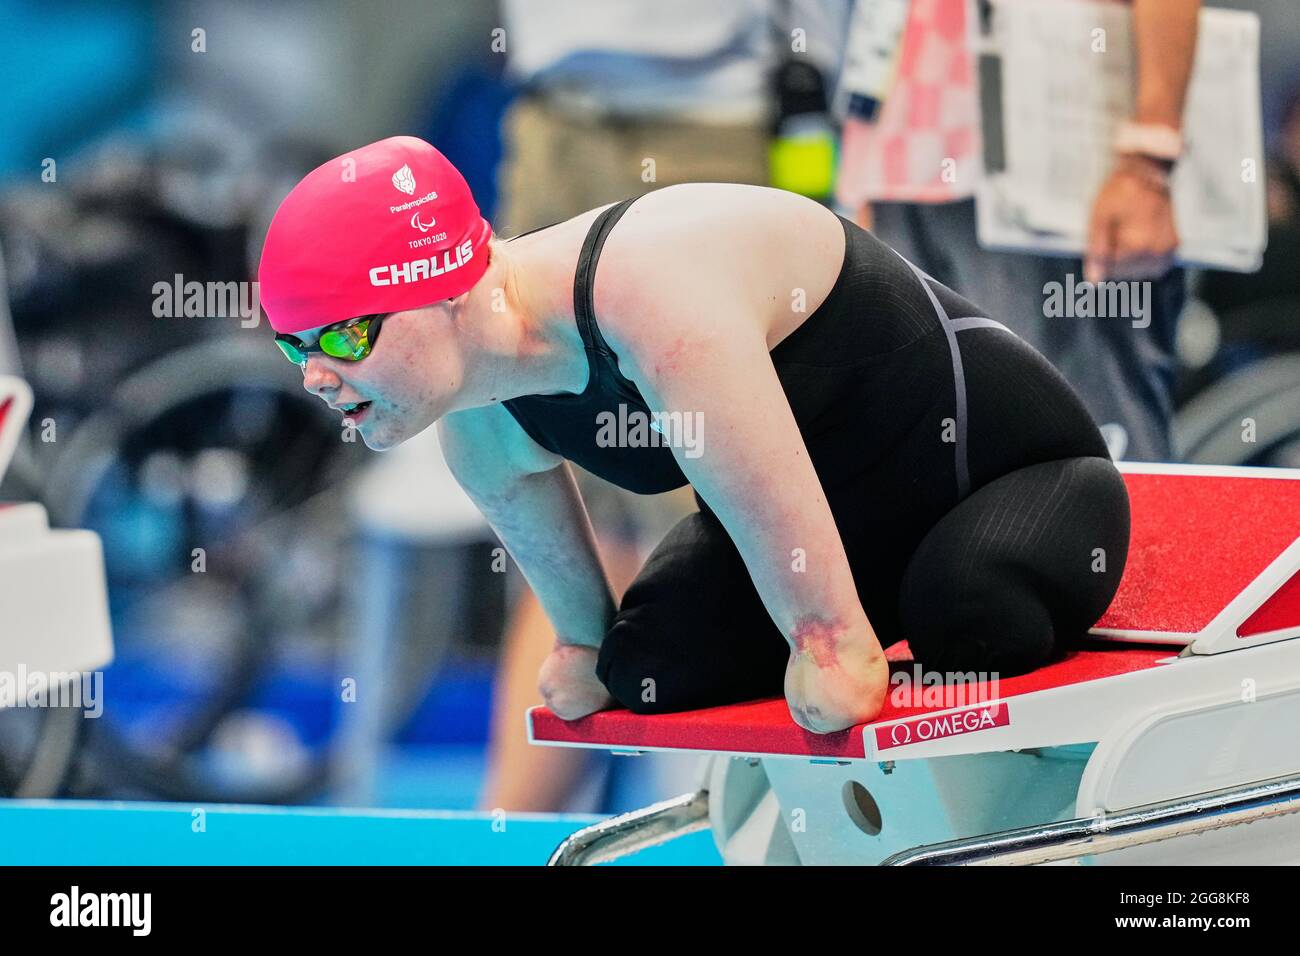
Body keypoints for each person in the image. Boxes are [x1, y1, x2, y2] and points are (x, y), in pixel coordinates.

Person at [258, 136, 1130, 733]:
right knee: (650, 669)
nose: (317, 375)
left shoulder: (644, 293)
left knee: (972, 616)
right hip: (859, 528)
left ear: (445, 289)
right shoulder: (478, 425)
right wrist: (587, 647)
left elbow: (830, 643)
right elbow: (587, 656)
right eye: (296, 344)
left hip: (1016, 474)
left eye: (344, 334)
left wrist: (829, 641)